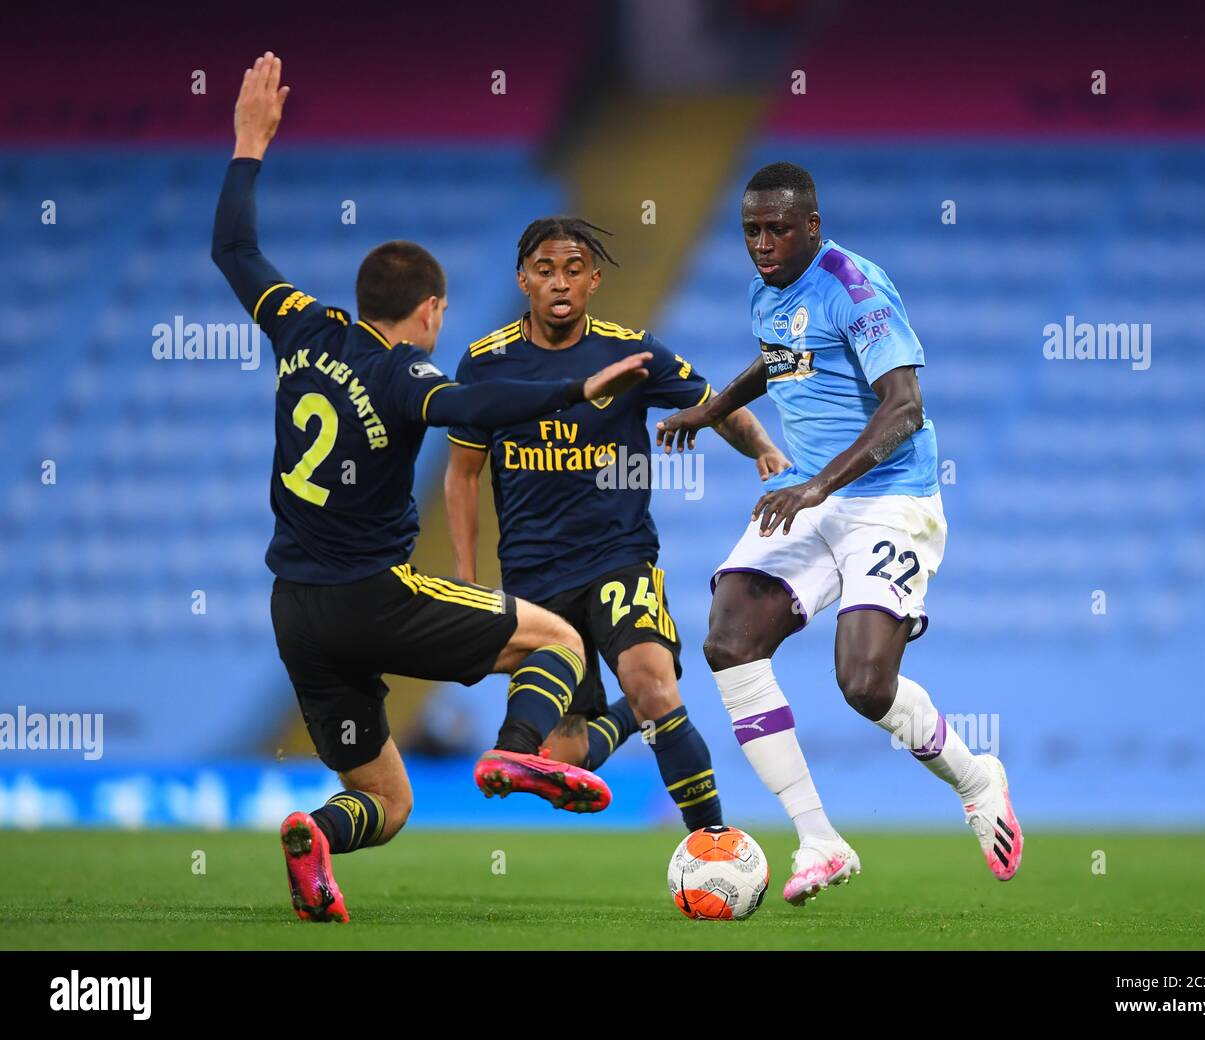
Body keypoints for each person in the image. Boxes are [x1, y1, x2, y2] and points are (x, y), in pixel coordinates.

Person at [212, 54, 651, 922]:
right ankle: (513, 751)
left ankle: (317, 834)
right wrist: (572, 387)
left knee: (388, 798)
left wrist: (248, 143)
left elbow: (233, 247)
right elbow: (474, 401)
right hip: (370, 596)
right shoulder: (406, 372)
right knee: (560, 640)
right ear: (431, 309)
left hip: (294, 609)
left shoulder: (299, 324)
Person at [656, 161, 1024, 906]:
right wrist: (711, 406)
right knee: (728, 639)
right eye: (751, 230)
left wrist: (817, 484)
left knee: (863, 684)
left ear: (812, 226)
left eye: (778, 228)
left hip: (889, 500)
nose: (762, 243)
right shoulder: (769, 289)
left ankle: (977, 776)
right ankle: (820, 842)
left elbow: (905, 406)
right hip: (815, 500)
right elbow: (783, 355)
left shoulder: (855, 289)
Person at [445, 217, 789, 830]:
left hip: (617, 558)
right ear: (523, 280)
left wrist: (762, 446)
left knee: (653, 684)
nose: (560, 283)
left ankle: (714, 842)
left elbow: (709, 404)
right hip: (532, 572)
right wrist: (471, 581)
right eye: (545, 270)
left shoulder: (633, 352)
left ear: (593, 280)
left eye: (573, 271)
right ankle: (628, 716)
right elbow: (463, 474)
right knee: (569, 751)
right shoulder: (483, 363)